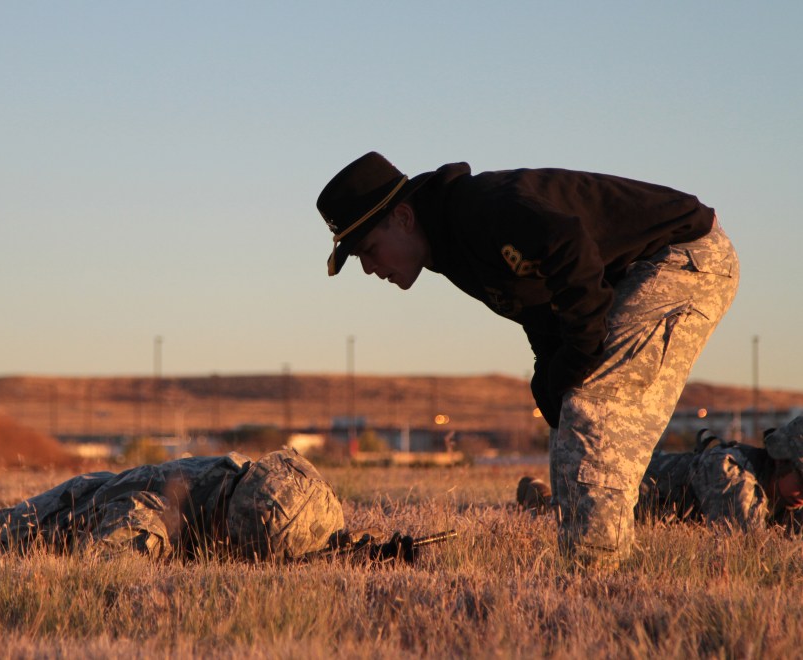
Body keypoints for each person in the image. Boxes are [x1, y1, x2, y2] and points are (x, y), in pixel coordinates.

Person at [316, 152, 739, 569]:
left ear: (404, 218)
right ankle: (591, 556)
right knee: (568, 413)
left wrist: (576, 359)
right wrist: (552, 372)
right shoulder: (449, 244)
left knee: (593, 403)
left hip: (686, 258)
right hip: (634, 273)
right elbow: (537, 301)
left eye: (369, 249)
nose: (370, 268)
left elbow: (570, 249)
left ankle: (596, 580)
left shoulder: (480, 209)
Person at [0, 447, 347, 561]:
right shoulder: (150, 522)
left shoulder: (233, 478)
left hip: (99, 491)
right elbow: (98, 565)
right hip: (46, 520)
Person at [636, 416, 803, 531]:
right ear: (781, 461)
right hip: (627, 491)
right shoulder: (734, 477)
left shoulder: (786, 497)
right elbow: (745, 552)